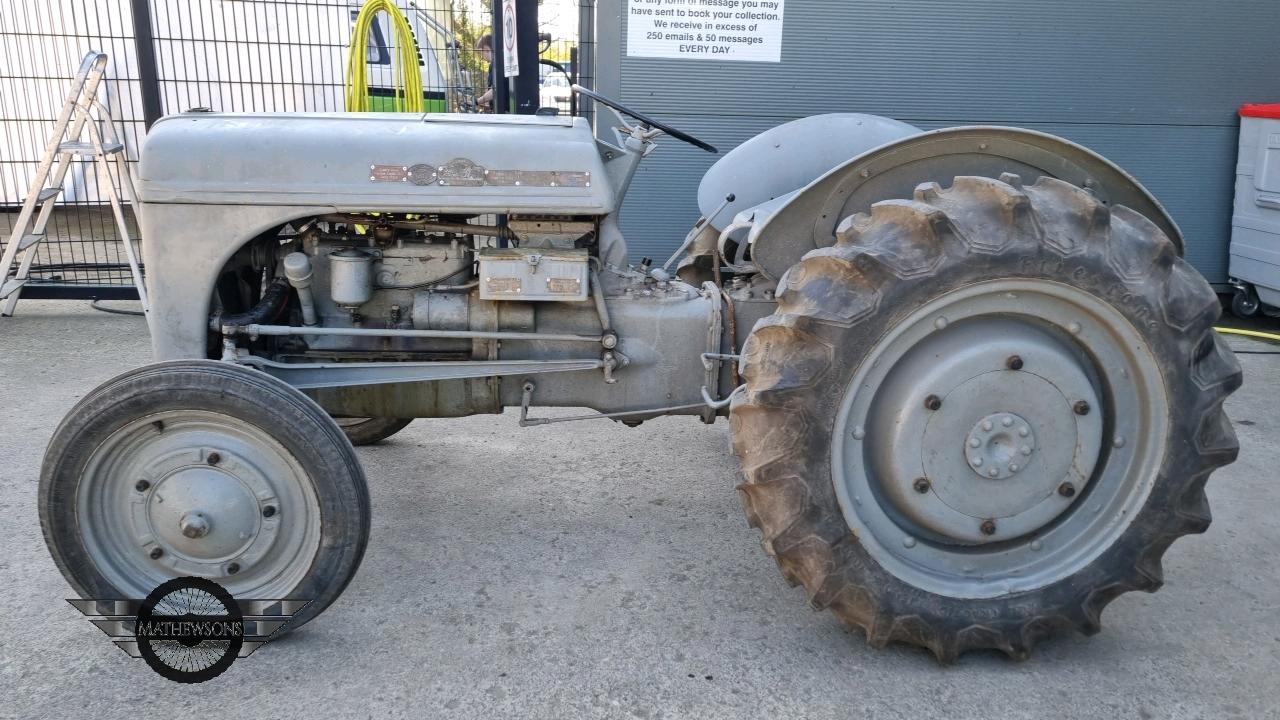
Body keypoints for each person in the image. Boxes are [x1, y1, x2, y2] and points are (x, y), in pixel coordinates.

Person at [475, 34, 495, 111]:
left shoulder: (497, 65)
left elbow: (495, 90)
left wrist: (477, 102)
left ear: (486, 49)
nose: (481, 56)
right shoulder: (492, 65)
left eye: (481, 53)